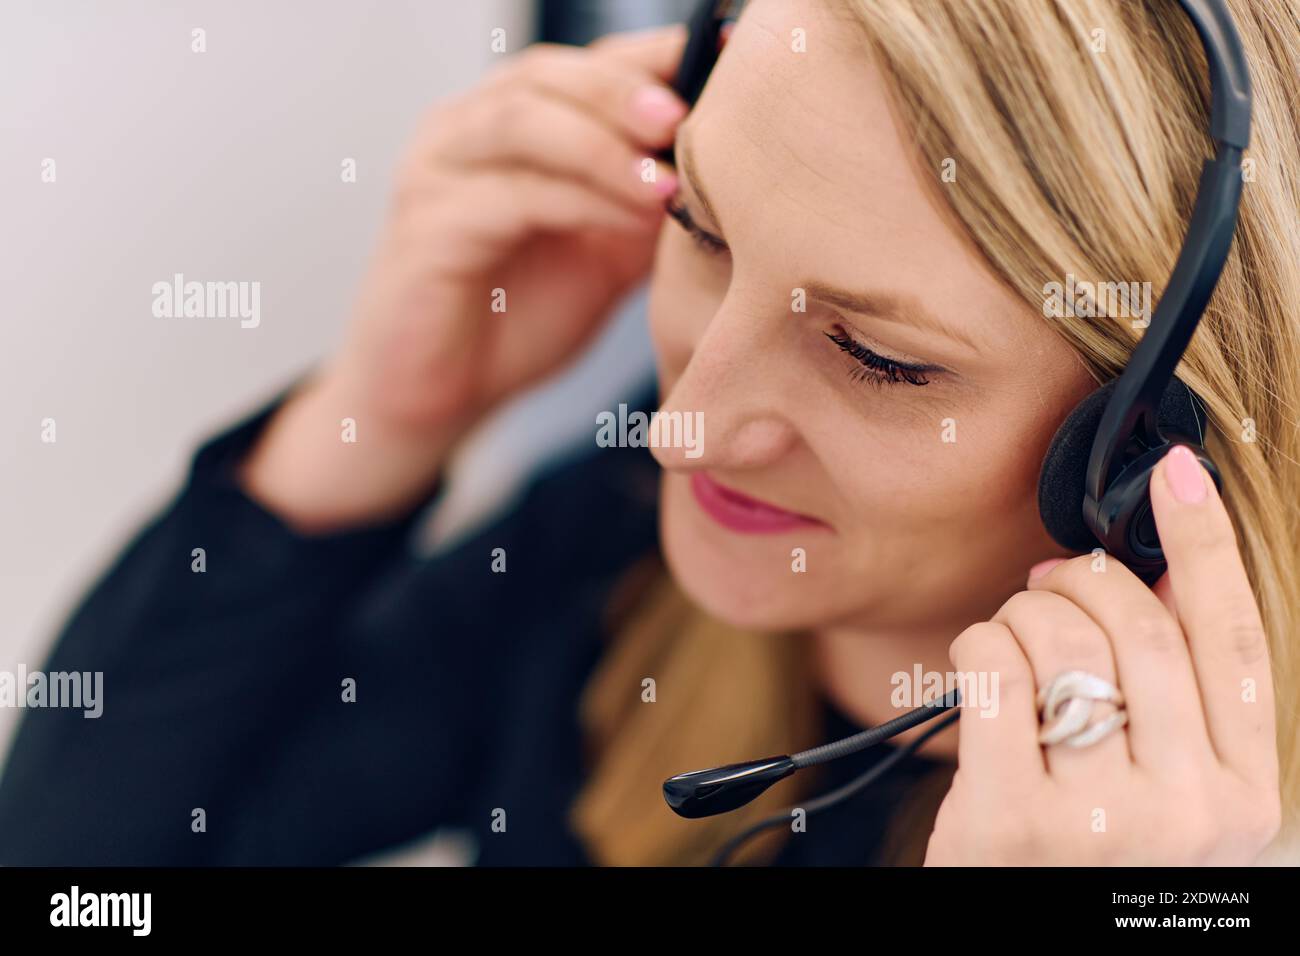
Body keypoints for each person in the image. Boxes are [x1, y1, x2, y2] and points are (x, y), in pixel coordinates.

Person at [1, 0, 1297, 866]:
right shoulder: (617, 547)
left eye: (877, 356)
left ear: (1150, 450)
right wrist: (380, 414)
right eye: (702, 227)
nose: (686, 425)